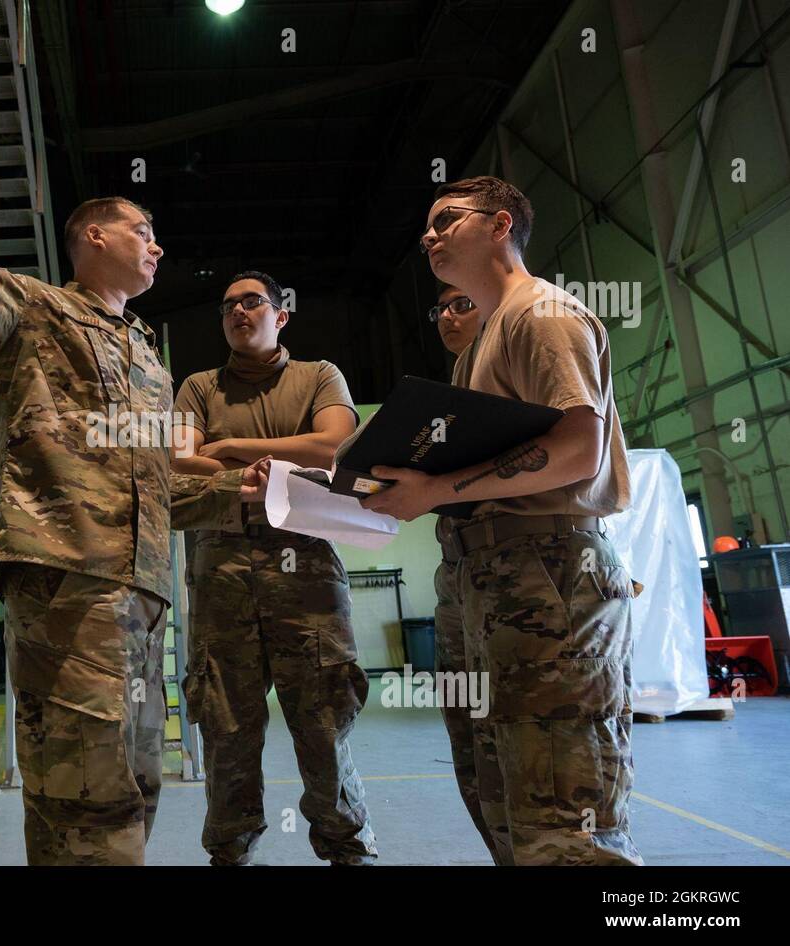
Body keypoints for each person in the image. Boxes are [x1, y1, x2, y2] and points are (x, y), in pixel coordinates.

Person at [0, 54, 268, 866]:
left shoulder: (146, 356)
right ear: (93, 235)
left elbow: (159, 486)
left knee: (134, 796)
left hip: (140, 604)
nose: (159, 248)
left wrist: (241, 488)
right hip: (70, 590)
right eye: (144, 231)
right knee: (86, 810)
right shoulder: (32, 311)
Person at [365, 176, 641, 866]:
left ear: (499, 225)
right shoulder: (478, 345)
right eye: (426, 225)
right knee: (501, 793)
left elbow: (580, 448)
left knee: (561, 810)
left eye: (447, 219)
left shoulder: (540, 315)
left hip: (547, 569)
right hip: (484, 578)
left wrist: (437, 487)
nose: (428, 235)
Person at [171, 271, 376, 865]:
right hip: (220, 580)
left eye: (252, 301)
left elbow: (335, 447)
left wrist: (229, 451)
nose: (238, 311)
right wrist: (259, 470)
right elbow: (180, 467)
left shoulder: (319, 376)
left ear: (281, 315)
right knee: (226, 731)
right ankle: (230, 854)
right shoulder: (199, 387)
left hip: (307, 580)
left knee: (323, 726)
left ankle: (347, 851)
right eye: (228, 305)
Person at [426, 284, 501, 861]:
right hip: (457, 576)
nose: (447, 317)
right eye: (441, 309)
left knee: (543, 765)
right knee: (475, 750)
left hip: (522, 571)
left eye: (461, 304)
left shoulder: (533, 334)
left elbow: (581, 450)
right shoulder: (460, 382)